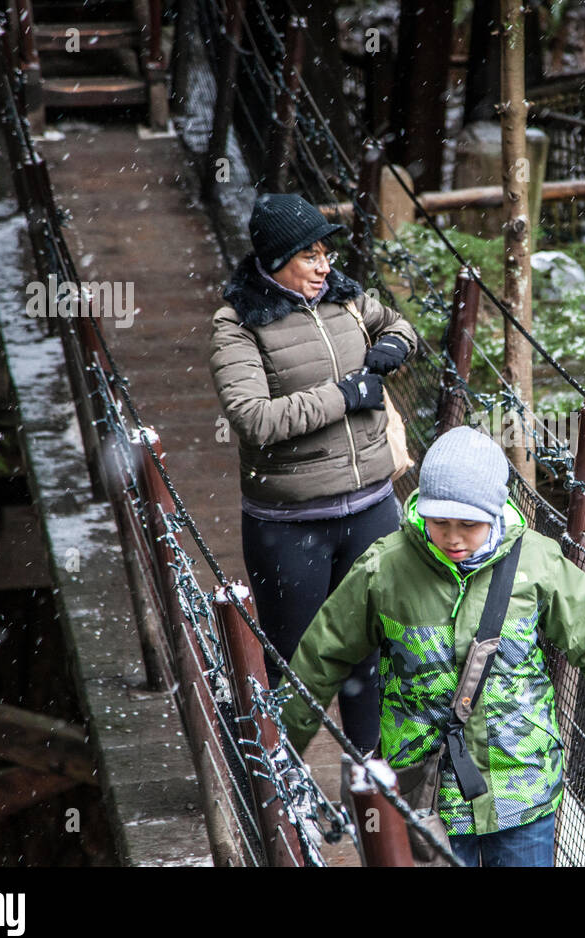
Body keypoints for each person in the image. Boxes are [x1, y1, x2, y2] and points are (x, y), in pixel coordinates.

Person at [279, 426, 585, 867]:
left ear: (495, 512)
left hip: (521, 789)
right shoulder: (385, 569)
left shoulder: (538, 564)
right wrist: (280, 746)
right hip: (425, 793)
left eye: (468, 525)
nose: (453, 537)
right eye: (440, 522)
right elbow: (321, 658)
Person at [208, 192, 417, 755]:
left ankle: (372, 794)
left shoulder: (344, 298)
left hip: (372, 507)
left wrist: (392, 348)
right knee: (293, 665)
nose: (325, 266)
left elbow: (399, 325)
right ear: (276, 260)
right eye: (310, 256)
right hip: (291, 523)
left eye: (326, 253)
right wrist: (346, 394)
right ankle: (279, 788)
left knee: (372, 658)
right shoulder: (237, 324)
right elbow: (252, 419)